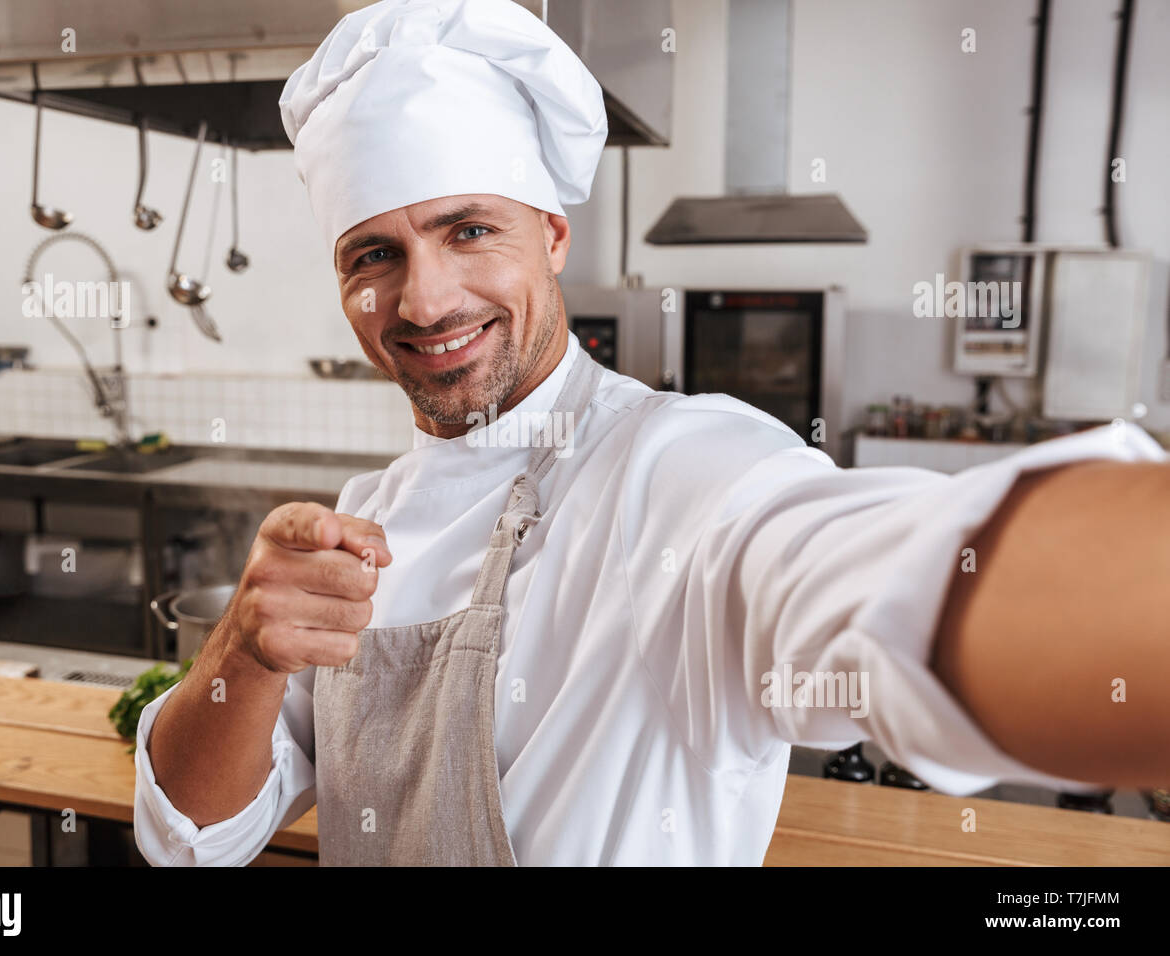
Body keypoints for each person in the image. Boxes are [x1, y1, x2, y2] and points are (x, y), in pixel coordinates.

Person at [132, 0, 1170, 866]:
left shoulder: (685, 470)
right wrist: (243, 648)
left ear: (550, 235)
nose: (425, 297)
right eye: (374, 254)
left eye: (467, 229)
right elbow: (191, 835)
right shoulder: (360, 525)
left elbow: (875, 574)